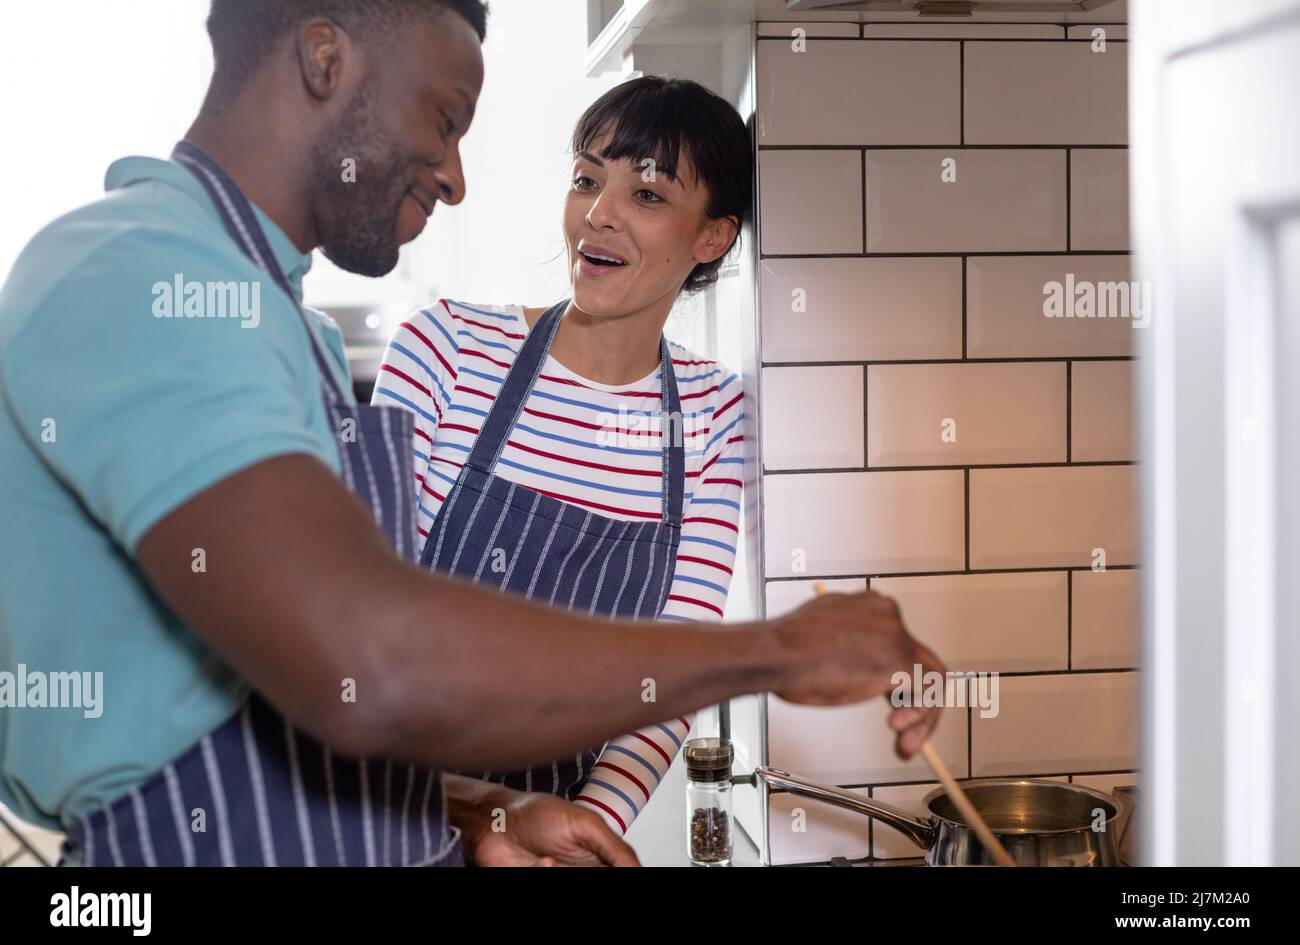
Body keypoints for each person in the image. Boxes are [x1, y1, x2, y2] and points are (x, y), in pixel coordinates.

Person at [0, 0, 943, 868]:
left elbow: (287, 696)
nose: (456, 177)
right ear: (325, 57)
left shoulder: (283, 329)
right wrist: (775, 651)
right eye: (446, 119)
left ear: (713, 236)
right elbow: (365, 658)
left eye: (648, 194)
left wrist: (485, 812)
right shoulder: (149, 278)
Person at [372, 76, 752, 835]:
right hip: (382, 815)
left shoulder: (712, 415)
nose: (599, 215)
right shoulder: (445, 349)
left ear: (711, 237)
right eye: (586, 179)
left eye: (647, 196)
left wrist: (583, 831)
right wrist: (490, 816)